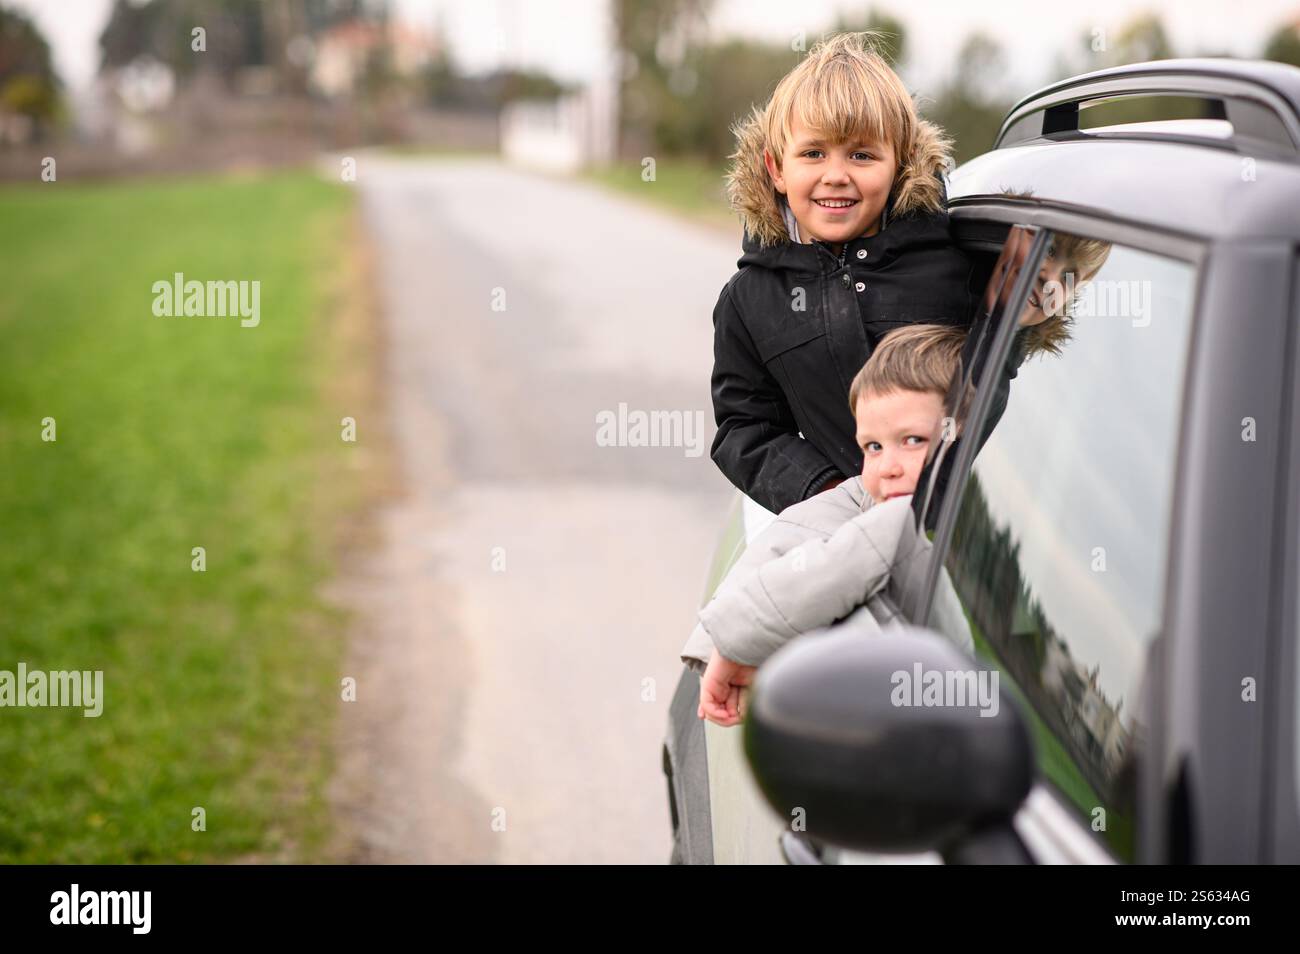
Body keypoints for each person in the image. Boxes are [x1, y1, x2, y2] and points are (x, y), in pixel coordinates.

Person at [710, 31, 977, 517]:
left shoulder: (954, 262)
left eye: (861, 155)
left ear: (899, 163)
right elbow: (744, 427)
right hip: (839, 531)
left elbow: (1005, 363)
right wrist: (828, 493)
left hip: (958, 531)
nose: (836, 174)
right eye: (813, 154)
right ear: (775, 168)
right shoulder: (750, 300)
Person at [682, 324, 976, 726]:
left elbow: (848, 561)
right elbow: (785, 542)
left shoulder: (935, 527)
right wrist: (716, 647)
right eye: (873, 447)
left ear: (962, 434)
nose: (887, 467)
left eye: (911, 440)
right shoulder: (863, 498)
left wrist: (735, 644)